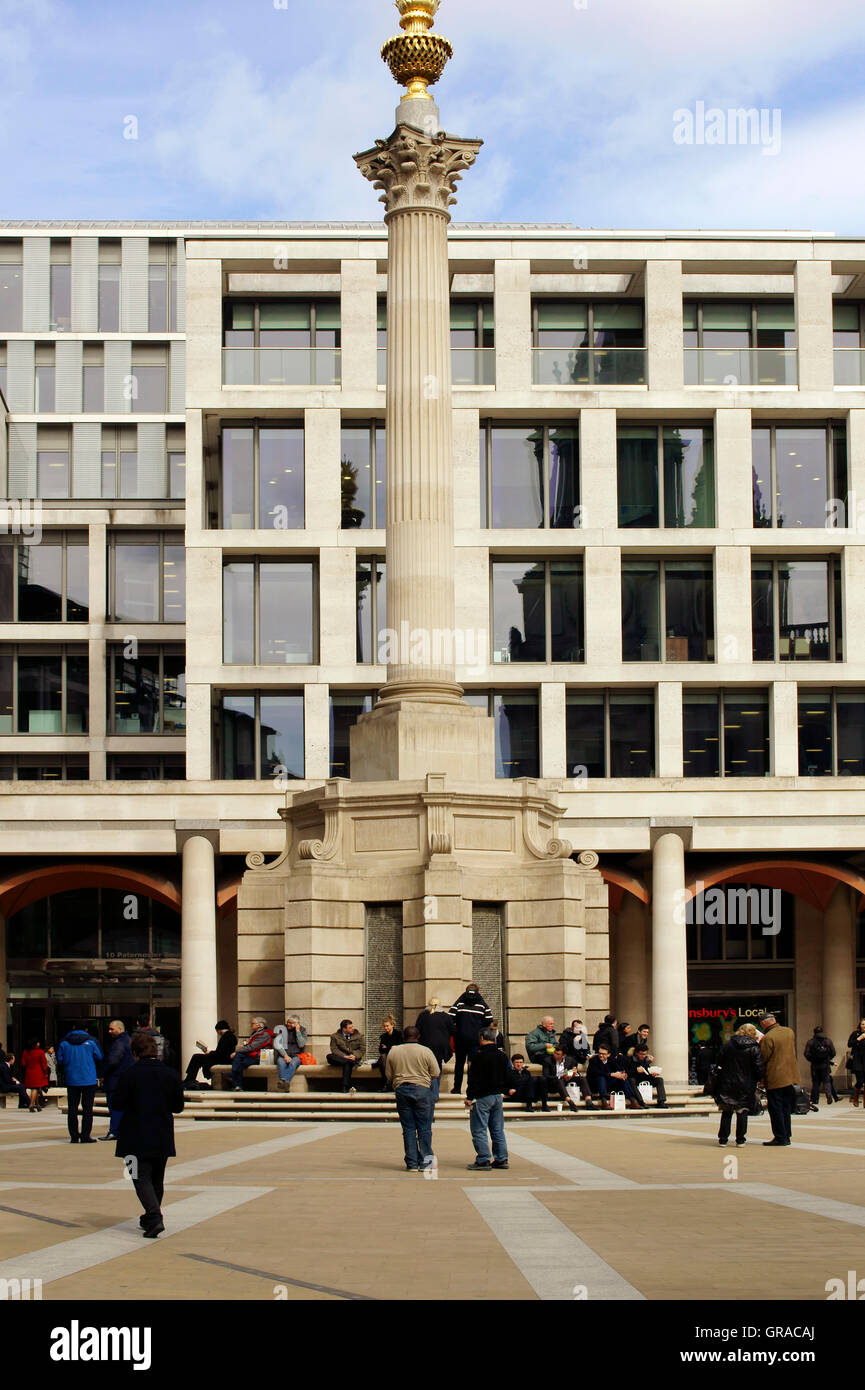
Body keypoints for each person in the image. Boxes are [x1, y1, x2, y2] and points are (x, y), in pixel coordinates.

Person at [113, 1032, 185, 1239]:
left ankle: (154, 1216)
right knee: (156, 1178)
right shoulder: (171, 1074)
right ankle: (150, 1216)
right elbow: (178, 1107)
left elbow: (117, 1103)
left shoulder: (129, 1074)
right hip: (161, 1134)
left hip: (134, 1136)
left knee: (137, 1175)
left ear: (135, 1053)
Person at [385, 1025, 440, 1172]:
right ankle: (426, 1163)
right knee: (425, 1129)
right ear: (418, 1036)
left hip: (402, 1089)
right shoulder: (426, 1051)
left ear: (403, 1037)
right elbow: (436, 1072)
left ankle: (412, 1163)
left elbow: (389, 1075)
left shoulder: (394, 1051)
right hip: (422, 1089)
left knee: (408, 1128)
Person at [465, 1028, 512, 1170]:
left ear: (482, 1038)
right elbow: (507, 1075)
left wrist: (469, 1096)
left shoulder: (478, 1056)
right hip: (497, 1095)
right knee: (497, 1129)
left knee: (479, 1129)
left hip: (482, 1095)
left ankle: (483, 1159)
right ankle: (501, 1158)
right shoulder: (502, 1055)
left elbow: (473, 1079)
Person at [713, 1023, 764, 1146]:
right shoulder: (754, 1047)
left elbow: (718, 1061)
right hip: (746, 1084)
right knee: (742, 1112)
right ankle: (740, 1139)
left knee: (726, 1111)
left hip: (727, 1082)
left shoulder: (727, 1045)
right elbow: (758, 1067)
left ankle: (723, 1139)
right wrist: (758, 1079)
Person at [758, 1011, 799, 1146]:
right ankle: (787, 1134)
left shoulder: (768, 1038)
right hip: (790, 1075)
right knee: (786, 1107)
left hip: (775, 1076)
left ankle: (780, 1136)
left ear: (764, 1023)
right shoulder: (789, 1032)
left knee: (776, 1108)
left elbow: (763, 1058)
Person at [57, 1023, 103, 1143]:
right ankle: (85, 1135)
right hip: (89, 1079)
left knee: (72, 1109)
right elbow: (99, 1057)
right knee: (88, 1109)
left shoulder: (64, 1043)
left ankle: (74, 1136)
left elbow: (60, 1060)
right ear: (86, 1029)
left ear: (73, 1028)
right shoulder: (91, 1042)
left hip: (72, 1079)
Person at [448, 984, 492, 1094]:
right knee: (473, 1065)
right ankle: (471, 1088)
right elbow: (491, 1021)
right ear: (478, 991)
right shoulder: (482, 1005)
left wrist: (456, 1031)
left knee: (459, 1064)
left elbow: (450, 1018)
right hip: (476, 1040)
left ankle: (457, 1088)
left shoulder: (459, 1003)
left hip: (460, 1039)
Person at [100, 1020, 134, 1139]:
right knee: (123, 1107)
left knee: (115, 1106)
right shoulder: (128, 1041)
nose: (109, 1031)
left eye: (112, 1029)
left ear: (120, 1029)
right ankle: (122, 1130)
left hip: (116, 1080)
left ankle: (114, 1131)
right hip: (125, 1079)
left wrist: (103, 1073)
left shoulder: (119, 1043)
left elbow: (113, 1061)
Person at [415, 998, 453, 1102]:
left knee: (427, 1070)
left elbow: (417, 1030)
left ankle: (430, 1093)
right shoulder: (446, 1016)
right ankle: (434, 1094)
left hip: (426, 1046)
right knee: (437, 1069)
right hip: (440, 1047)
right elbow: (453, 1030)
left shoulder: (423, 1015)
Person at [184, 1020, 237, 1090]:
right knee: (198, 1057)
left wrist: (210, 1053)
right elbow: (223, 1052)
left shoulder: (226, 1037)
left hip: (222, 1060)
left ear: (219, 1030)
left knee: (196, 1057)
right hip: (223, 1059)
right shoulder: (230, 1036)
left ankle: (189, 1078)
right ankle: (189, 1078)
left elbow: (221, 1053)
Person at [540, 1046, 595, 1111]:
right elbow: (546, 1075)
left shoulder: (570, 1060)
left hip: (567, 1080)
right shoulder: (547, 1060)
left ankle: (588, 1101)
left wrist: (574, 1072)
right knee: (559, 1080)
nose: (555, 1055)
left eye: (558, 1054)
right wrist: (560, 1077)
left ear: (563, 1056)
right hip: (553, 1083)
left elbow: (574, 1067)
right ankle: (570, 1102)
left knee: (582, 1079)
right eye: (555, 1053)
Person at [586, 1044, 641, 1108]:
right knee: (601, 1077)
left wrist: (621, 1074)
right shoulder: (593, 1060)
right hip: (596, 1084)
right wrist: (612, 1074)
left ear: (608, 1055)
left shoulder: (611, 1060)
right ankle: (604, 1101)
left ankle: (632, 1100)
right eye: (599, 1053)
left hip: (608, 1083)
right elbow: (595, 1072)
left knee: (622, 1078)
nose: (601, 1055)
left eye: (603, 1054)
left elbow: (618, 1068)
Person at [229, 1017, 275, 1091]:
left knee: (239, 1061)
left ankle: (236, 1082)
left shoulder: (264, 1034)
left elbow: (252, 1047)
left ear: (259, 1025)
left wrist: (237, 1052)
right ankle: (236, 1083)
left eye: (253, 1023)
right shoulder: (256, 1033)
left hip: (258, 1057)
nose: (251, 1025)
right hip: (251, 1055)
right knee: (238, 1059)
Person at [326, 1019, 364, 1093]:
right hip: (341, 1058)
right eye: (350, 1028)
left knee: (347, 1064)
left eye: (352, 1027)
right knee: (329, 1056)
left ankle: (344, 1086)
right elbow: (334, 1049)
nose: (352, 1029)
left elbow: (362, 1049)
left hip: (353, 1057)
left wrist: (354, 1056)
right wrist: (344, 1056)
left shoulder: (359, 1036)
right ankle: (349, 1062)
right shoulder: (334, 1036)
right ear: (344, 1029)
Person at [804, 1026, 838, 1109]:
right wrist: (828, 1058)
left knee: (815, 1082)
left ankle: (815, 1099)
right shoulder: (827, 1041)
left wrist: (812, 1059)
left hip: (815, 1065)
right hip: (825, 1064)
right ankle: (828, 1095)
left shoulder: (811, 1042)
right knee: (826, 1081)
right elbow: (833, 1052)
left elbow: (806, 1054)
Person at [274, 1016, 306, 1092]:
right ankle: (286, 1083)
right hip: (283, 1055)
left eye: (291, 1023)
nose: (288, 1024)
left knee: (293, 1063)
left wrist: (298, 1032)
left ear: (296, 1024)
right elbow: (278, 1045)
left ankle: (283, 1081)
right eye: (287, 1022)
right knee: (281, 1063)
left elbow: (301, 1044)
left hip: (297, 1055)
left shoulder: (302, 1030)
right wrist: (285, 1055)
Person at [374, 1017, 403, 1091]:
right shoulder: (384, 1036)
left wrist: (387, 1047)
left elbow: (400, 1046)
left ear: (392, 1025)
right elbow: (381, 1050)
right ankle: (388, 1082)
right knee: (383, 1058)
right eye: (384, 1026)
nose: (385, 1028)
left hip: (397, 1056)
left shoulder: (398, 1034)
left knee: (383, 1060)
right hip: (386, 1056)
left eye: (387, 1026)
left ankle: (387, 1083)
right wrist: (390, 1047)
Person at [21, 1038, 49, 1112]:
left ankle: (37, 1105)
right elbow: (44, 1063)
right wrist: (45, 1072)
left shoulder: (25, 1052)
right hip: (38, 1072)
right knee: (35, 1088)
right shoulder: (40, 1051)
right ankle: (31, 1104)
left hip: (29, 1071)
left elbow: (23, 1063)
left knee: (35, 1088)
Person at [847, 1019, 865, 1106]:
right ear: (860, 1025)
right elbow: (850, 1044)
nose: (864, 1026)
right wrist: (859, 1039)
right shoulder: (855, 1034)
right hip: (857, 1060)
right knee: (860, 1080)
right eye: (862, 1024)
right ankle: (855, 1098)